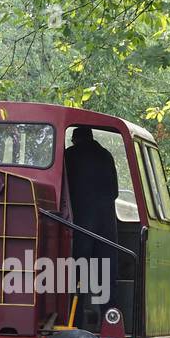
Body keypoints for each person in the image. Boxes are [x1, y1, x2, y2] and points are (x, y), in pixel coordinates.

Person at [64, 126, 119, 323]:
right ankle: (110, 321)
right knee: (106, 276)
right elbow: (114, 192)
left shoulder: (69, 156)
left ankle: (75, 322)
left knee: (76, 276)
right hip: (106, 228)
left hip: (79, 225)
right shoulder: (106, 156)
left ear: (75, 140)